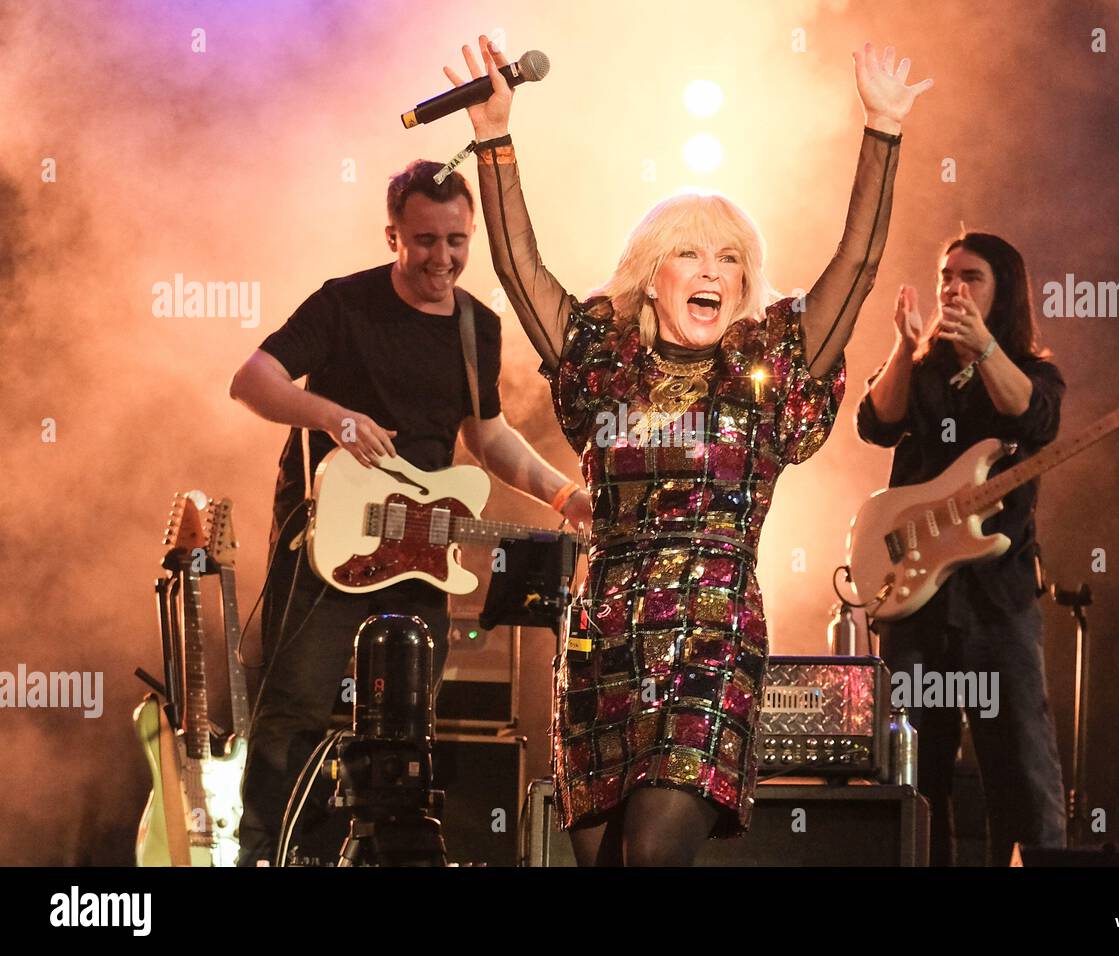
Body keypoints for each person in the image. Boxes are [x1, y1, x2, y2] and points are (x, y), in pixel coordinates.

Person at [443, 33, 930, 866]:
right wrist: (494, 139)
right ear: (652, 273)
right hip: (603, 644)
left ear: (744, 283)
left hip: (711, 641)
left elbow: (857, 263)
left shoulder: (766, 369)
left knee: (652, 856)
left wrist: (881, 131)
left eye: (732, 259)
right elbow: (522, 272)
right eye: (692, 253)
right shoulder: (602, 359)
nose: (714, 270)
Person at [227, 159, 592, 866]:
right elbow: (253, 380)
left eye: (456, 241)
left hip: (420, 546)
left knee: (405, 722)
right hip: (328, 536)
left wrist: (563, 494)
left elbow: (486, 436)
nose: (442, 258)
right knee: (293, 712)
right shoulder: (345, 303)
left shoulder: (475, 326)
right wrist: (334, 417)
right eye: (424, 241)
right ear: (392, 234)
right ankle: (263, 857)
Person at [856, 231, 1068, 865]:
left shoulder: (1032, 372)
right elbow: (877, 423)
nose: (953, 286)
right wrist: (902, 343)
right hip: (916, 604)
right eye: (946, 274)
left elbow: (1034, 419)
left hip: (997, 602)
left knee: (1022, 777)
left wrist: (985, 347)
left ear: (1003, 292)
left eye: (970, 277)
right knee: (914, 781)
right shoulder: (921, 373)